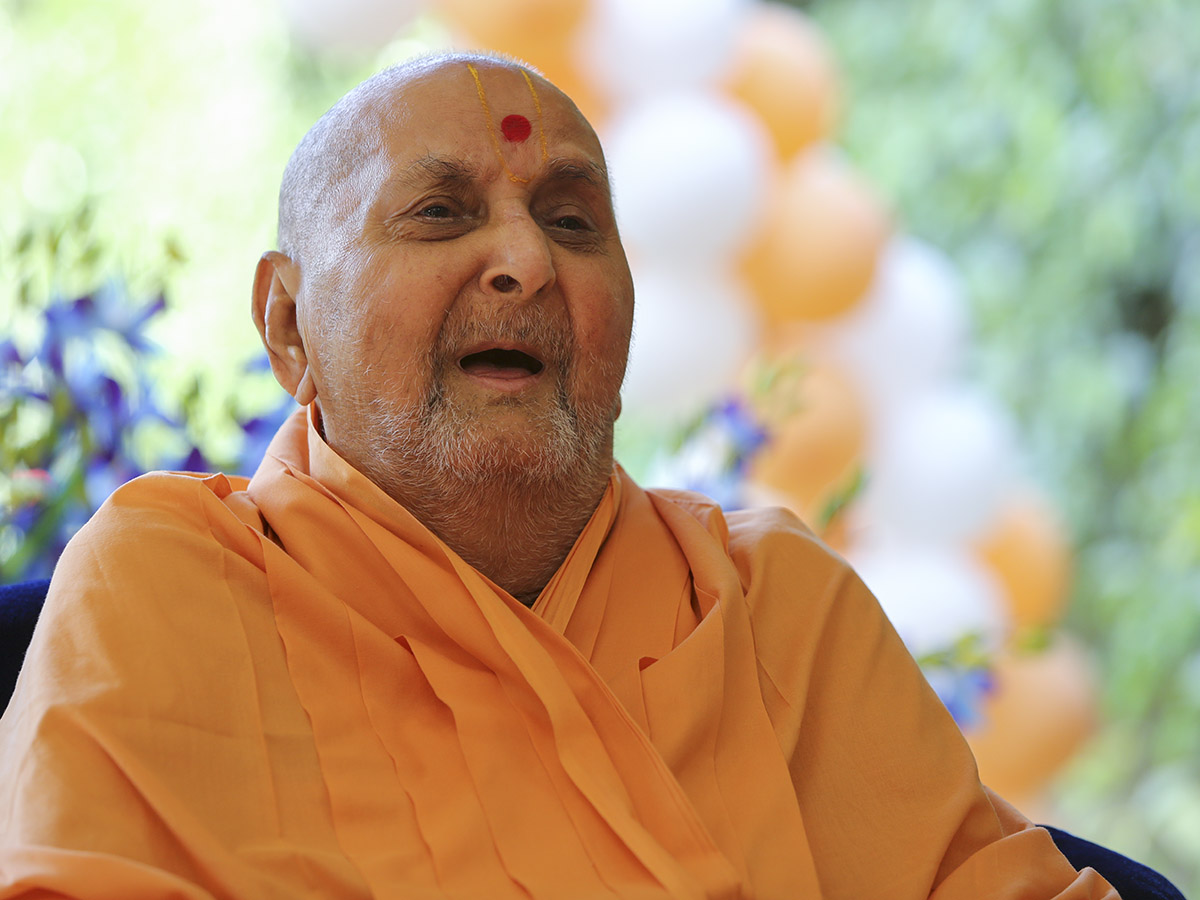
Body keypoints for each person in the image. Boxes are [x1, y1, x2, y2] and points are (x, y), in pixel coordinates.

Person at [0, 53, 1118, 899]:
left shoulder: (775, 606)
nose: (527, 260)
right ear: (288, 326)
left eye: (573, 221)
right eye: (440, 213)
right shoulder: (165, 593)